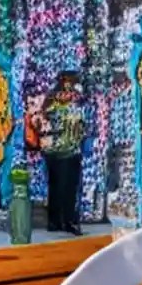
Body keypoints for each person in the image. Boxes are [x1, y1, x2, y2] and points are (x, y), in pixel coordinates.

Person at [42, 71, 86, 236]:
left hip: (71, 150)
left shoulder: (75, 103)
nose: (70, 90)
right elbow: (50, 119)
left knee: (68, 187)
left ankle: (63, 221)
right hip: (59, 150)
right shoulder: (54, 103)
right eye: (68, 84)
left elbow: (82, 126)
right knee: (59, 186)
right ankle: (60, 221)